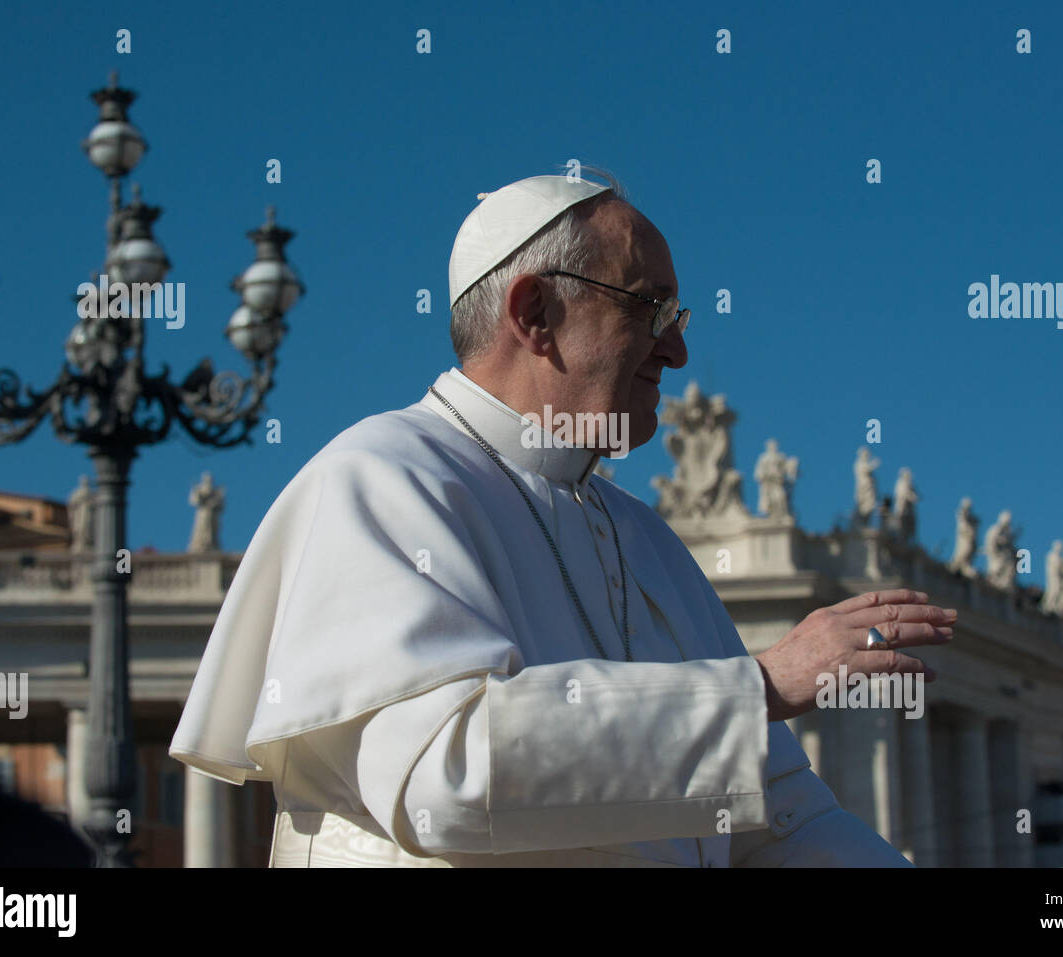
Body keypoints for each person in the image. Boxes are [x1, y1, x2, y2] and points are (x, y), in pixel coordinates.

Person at [170, 172, 956, 867]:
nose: (678, 351)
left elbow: (783, 820)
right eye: (651, 309)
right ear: (535, 312)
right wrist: (760, 684)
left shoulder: (649, 538)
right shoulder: (381, 477)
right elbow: (446, 774)